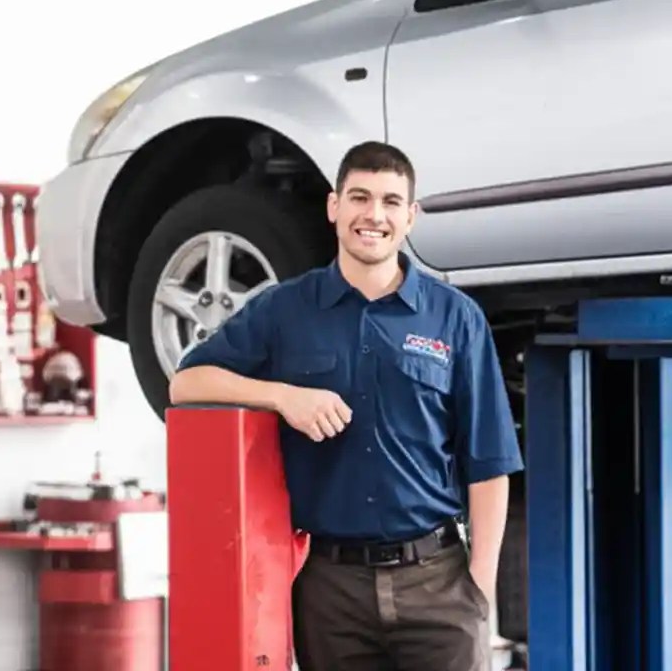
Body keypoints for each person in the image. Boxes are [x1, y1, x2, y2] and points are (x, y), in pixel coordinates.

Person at [168, 140, 524, 671]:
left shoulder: (455, 318)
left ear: (410, 216)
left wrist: (480, 586)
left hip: (439, 582)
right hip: (330, 591)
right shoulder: (285, 309)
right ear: (334, 207)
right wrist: (281, 396)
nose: (372, 215)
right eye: (359, 198)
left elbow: (490, 463)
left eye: (389, 201)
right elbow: (187, 382)